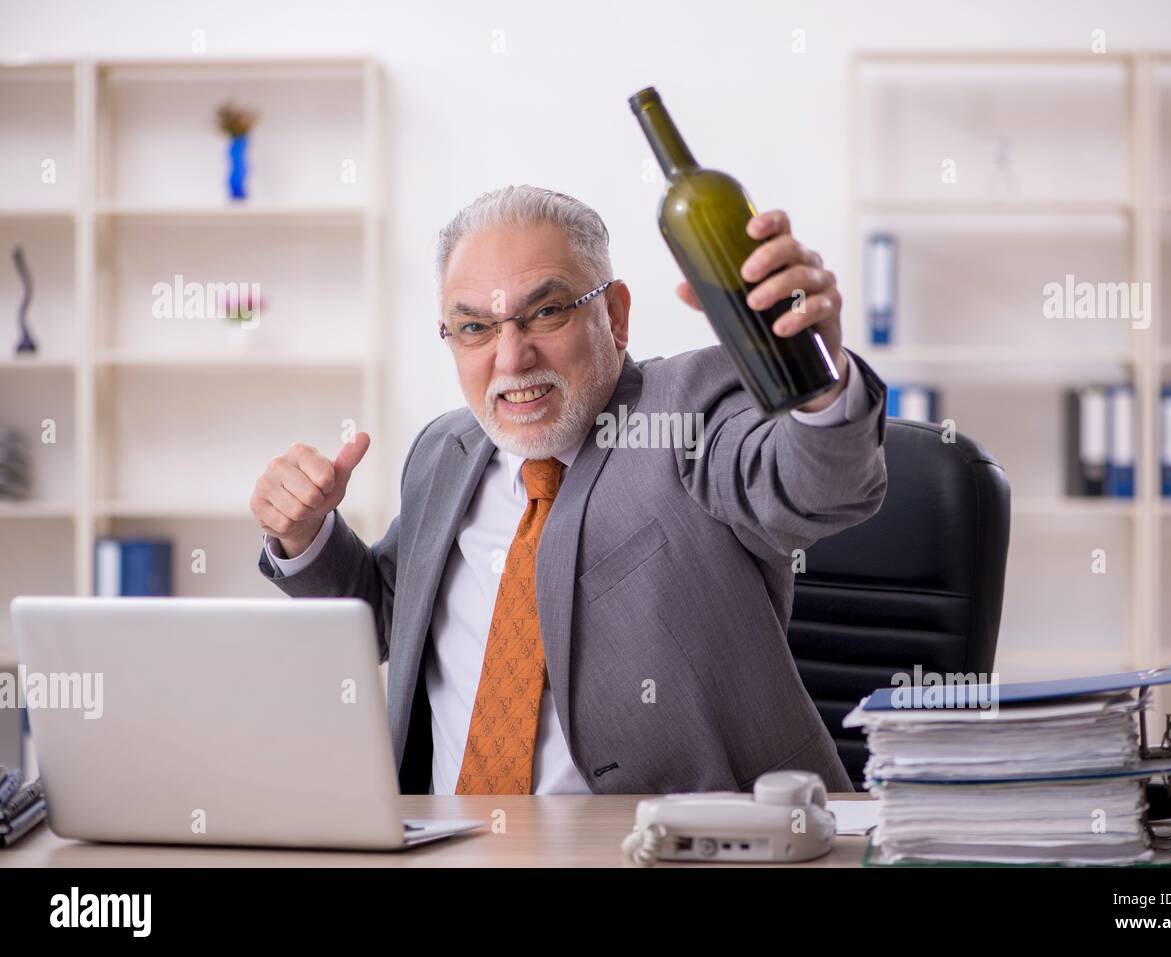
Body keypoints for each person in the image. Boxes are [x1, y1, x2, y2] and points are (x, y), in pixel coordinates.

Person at [250, 185, 887, 795]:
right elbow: (387, 615)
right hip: (447, 847)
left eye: (546, 312)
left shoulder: (691, 410)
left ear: (614, 315)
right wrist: (304, 537)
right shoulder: (444, 452)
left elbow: (817, 488)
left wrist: (815, 378)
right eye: (475, 327)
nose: (511, 357)